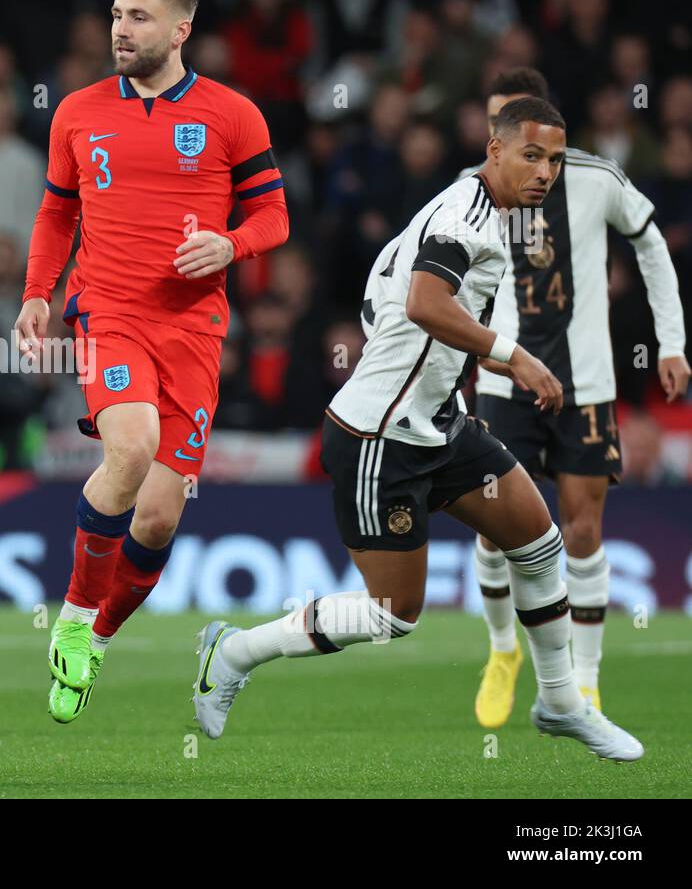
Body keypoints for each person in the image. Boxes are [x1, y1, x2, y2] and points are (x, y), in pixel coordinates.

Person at [195, 97, 644, 761]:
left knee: (539, 544)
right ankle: (232, 652)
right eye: (530, 155)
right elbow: (423, 301)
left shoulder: (466, 209)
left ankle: (559, 702)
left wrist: (425, 367)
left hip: (438, 425)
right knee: (392, 616)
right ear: (495, 150)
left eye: (554, 158)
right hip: (380, 438)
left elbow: (386, 290)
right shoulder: (465, 217)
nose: (545, 171)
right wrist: (512, 357)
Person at [16, 0, 290, 723]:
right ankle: (73, 614)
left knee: (161, 518)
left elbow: (274, 216)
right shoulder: (77, 111)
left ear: (180, 31)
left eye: (139, 17)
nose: (120, 29)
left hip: (194, 331)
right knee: (128, 450)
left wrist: (231, 247)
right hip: (108, 313)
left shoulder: (232, 115)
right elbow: (55, 213)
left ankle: (96, 638)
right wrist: (40, 293)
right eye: (114, 14)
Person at [465, 69, 687, 726]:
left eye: (513, 127)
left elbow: (650, 244)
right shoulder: (470, 194)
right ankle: (503, 652)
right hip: (505, 382)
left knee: (583, 534)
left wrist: (671, 342)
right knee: (496, 530)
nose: (499, 142)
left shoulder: (597, 180)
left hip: (587, 385)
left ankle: (585, 685)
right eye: (494, 128)